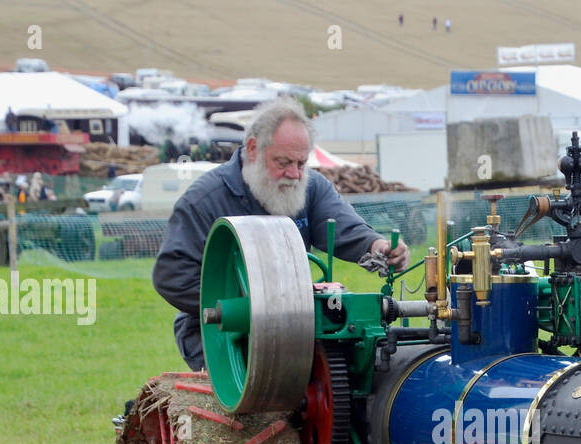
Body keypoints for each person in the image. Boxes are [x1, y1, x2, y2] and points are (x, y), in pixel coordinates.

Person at [154, 97, 409, 371]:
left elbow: (344, 226)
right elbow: (172, 276)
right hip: (222, 334)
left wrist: (376, 246)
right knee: (259, 410)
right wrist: (251, 305)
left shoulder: (312, 188)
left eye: (301, 163)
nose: (295, 174)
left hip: (295, 325)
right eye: (284, 162)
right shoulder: (204, 200)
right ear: (252, 149)